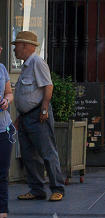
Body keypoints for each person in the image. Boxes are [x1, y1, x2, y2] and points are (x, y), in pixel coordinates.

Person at [10, 31, 66, 203]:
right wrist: (20, 117)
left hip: (37, 116)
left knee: (47, 153)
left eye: (17, 45)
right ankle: (37, 190)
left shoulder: (37, 62)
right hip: (27, 117)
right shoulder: (26, 65)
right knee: (29, 155)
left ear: (26, 46)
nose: (14, 50)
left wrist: (44, 110)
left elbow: (48, 87)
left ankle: (57, 189)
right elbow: (27, 95)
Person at [0, 58, 12, 218]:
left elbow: (9, 92)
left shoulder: (2, 68)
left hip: (3, 129)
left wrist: (6, 101)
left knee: (1, 175)